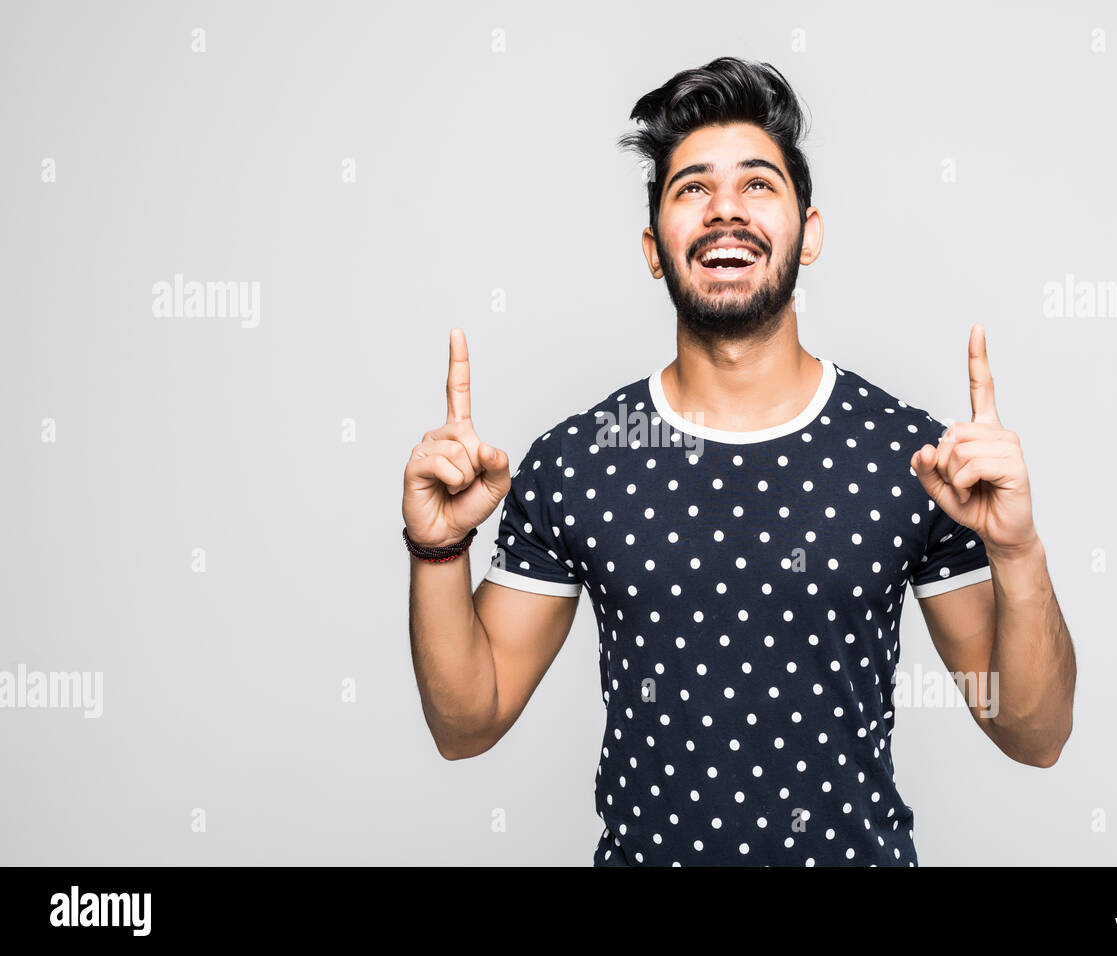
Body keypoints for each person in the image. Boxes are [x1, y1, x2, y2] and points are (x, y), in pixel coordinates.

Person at [402, 56, 1076, 867]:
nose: (725, 208)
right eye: (692, 188)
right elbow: (467, 724)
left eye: (758, 183)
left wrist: (1018, 551)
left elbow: (1033, 735)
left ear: (809, 232)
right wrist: (439, 549)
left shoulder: (915, 460)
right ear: (655, 248)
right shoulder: (579, 462)